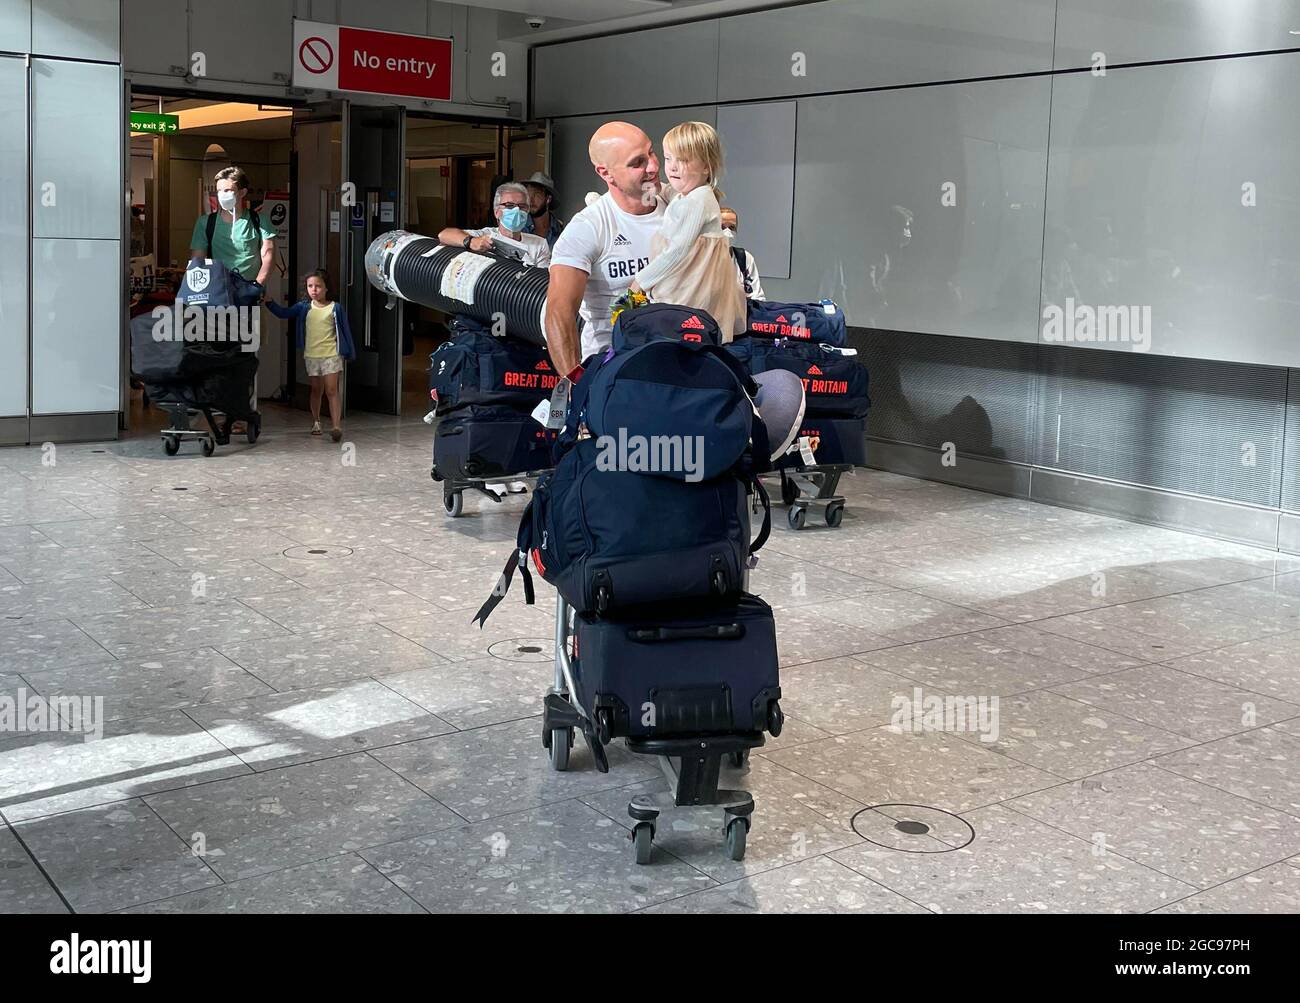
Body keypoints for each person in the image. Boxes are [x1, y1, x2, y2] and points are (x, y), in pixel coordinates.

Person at [545, 122, 667, 377]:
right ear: (605, 173)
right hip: (615, 370)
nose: (654, 167)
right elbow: (559, 311)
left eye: (651, 153)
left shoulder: (674, 205)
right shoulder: (589, 227)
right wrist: (576, 383)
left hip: (675, 360)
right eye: (638, 163)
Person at [626, 122, 746, 342]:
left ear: (706, 167)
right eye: (669, 158)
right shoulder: (690, 194)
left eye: (682, 160)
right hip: (684, 290)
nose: (672, 167)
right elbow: (671, 192)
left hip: (691, 292)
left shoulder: (699, 201)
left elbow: (678, 250)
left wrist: (641, 281)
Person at [266, 270, 355, 442]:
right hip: (312, 355)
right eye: (310, 286)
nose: (314, 290)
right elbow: (284, 313)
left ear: (327, 288)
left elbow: (345, 332)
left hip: (332, 354)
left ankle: (336, 426)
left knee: (331, 389)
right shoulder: (303, 307)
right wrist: (270, 302)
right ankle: (316, 422)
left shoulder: (335, 308)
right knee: (316, 389)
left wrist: (349, 352)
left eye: (318, 286)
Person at [189, 166, 276, 301]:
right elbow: (197, 261)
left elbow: (268, 256)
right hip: (218, 294)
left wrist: (256, 287)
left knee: (252, 322)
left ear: (242, 192)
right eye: (219, 191)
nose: (222, 195)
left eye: (228, 190)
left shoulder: (259, 221)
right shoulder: (205, 223)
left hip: (251, 295)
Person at [439, 182, 551, 268]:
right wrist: (471, 242)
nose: (516, 210)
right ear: (497, 212)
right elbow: (444, 235)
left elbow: (541, 282)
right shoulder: (485, 236)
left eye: (522, 206)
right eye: (509, 205)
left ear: (527, 212)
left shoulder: (539, 245)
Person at [719, 206, 765, 301]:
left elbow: (756, 297)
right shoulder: (703, 260)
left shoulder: (744, 258)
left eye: (732, 227)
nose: (727, 232)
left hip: (742, 313)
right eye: (722, 227)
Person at [521, 171, 565, 247]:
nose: (531, 200)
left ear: (548, 199)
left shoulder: (559, 230)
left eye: (536, 195)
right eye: (529, 194)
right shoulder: (520, 226)